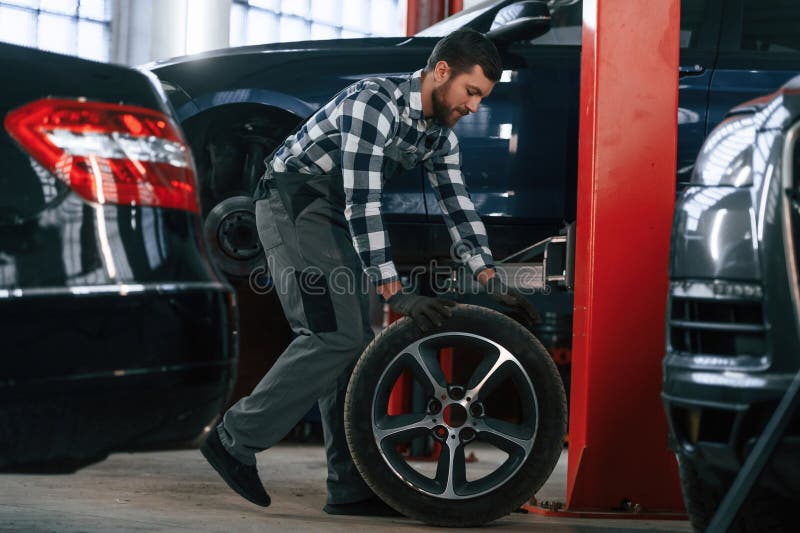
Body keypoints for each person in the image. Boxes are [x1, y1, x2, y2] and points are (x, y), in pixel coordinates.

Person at [200, 27, 539, 517]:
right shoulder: (372, 104)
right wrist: (395, 292)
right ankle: (234, 439)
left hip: (333, 213)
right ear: (441, 72)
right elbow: (365, 202)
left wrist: (491, 278)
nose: (474, 107)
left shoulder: (438, 136)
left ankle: (349, 486)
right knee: (332, 334)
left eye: (482, 98)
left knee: (354, 341)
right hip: (293, 201)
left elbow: (459, 208)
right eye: (471, 92)